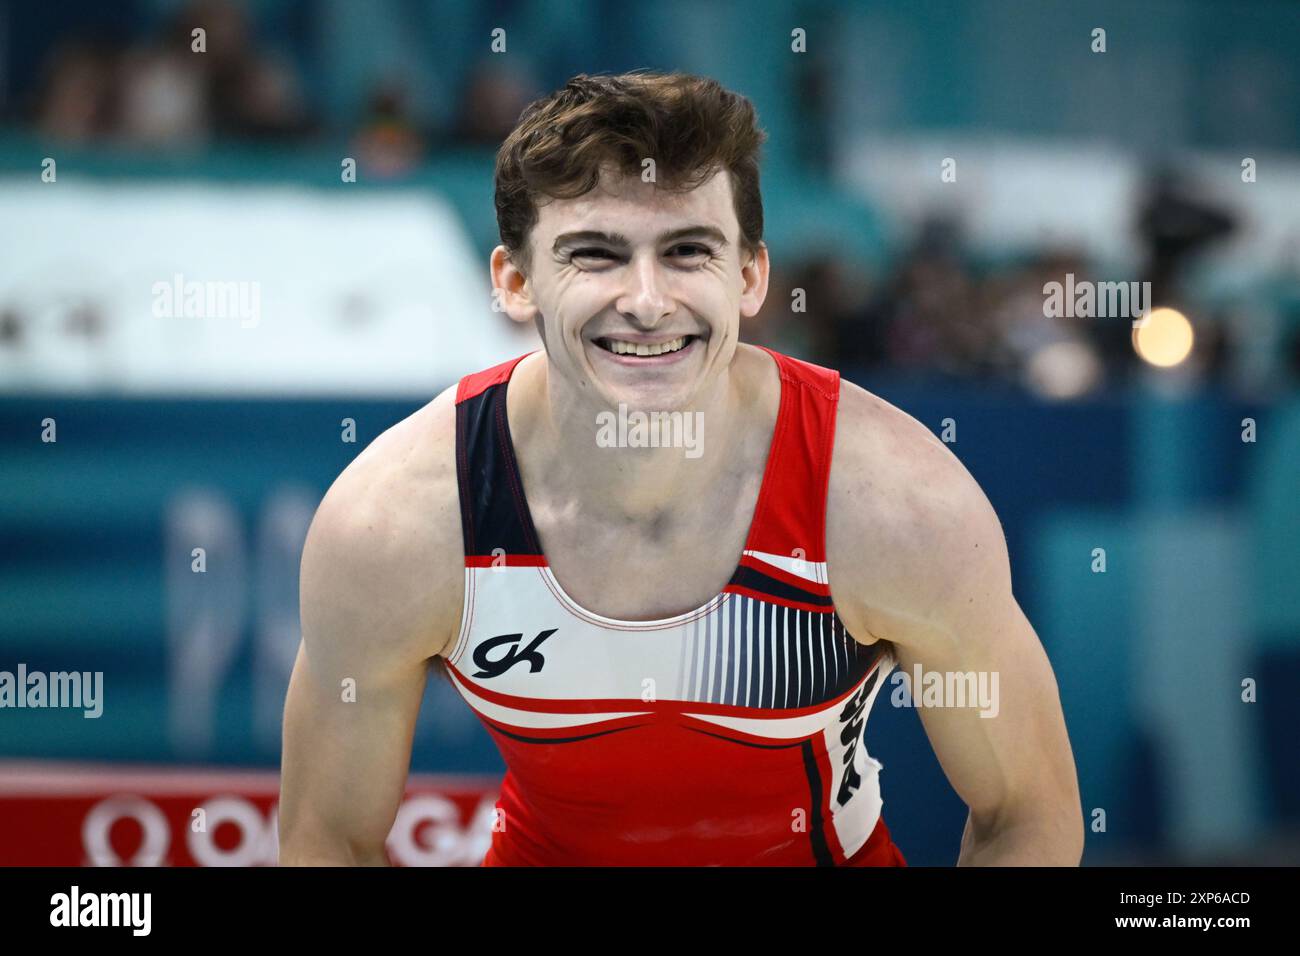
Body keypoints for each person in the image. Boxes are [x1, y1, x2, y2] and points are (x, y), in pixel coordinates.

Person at [279, 71, 1083, 866]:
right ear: (515, 282)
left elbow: (1028, 815)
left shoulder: (895, 504)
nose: (647, 301)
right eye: (595, 255)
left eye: (687, 252)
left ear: (750, 276)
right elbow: (326, 837)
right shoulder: (401, 521)